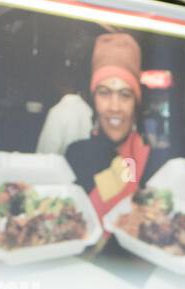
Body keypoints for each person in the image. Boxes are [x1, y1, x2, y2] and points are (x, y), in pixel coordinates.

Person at [65, 33, 171, 221]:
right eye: (104, 93)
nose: (115, 107)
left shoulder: (155, 163)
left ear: (136, 103)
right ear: (93, 100)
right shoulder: (75, 156)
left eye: (125, 95)